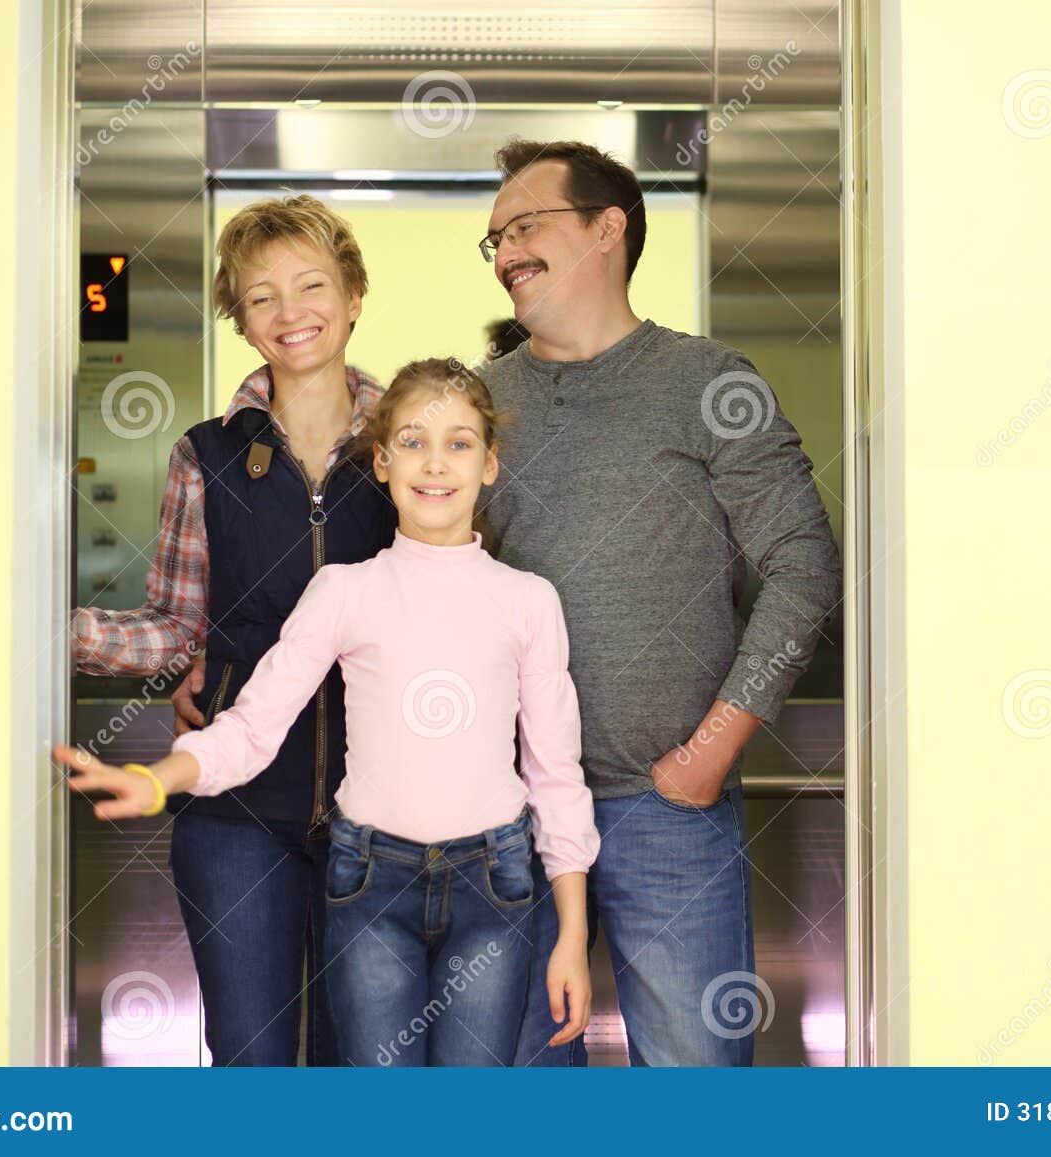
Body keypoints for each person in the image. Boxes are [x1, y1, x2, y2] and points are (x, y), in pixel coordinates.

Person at [58, 359, 597, 1066]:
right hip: (370, 887)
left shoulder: (529, 601)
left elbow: (557, 776)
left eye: (459, 443)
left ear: (490, 463)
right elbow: (254, 726)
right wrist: (159, 779)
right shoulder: (345, 591)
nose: (435, 464)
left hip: (494, 888)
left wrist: (571, 935)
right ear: (380, 460)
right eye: (411, 441)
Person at [476, 139, 843, 1066]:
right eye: (494, 241)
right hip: (505, 816)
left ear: (609, 229)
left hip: (667, 806)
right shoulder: (477, 406)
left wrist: (714, 748)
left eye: (526, 226)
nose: (508, 251)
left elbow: (803, 565)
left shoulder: (709, 384)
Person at [70, 194, 395, 1066]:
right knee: (249, 1057)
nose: (291, 313)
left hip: (387, 818)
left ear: (355, 294)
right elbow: (178, 630)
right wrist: (45, 631)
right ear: (242, 321)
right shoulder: (205, 455)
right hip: (238, 813)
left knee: (361, 1062)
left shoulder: (413, 443)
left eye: (312, 285)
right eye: (262, 297)